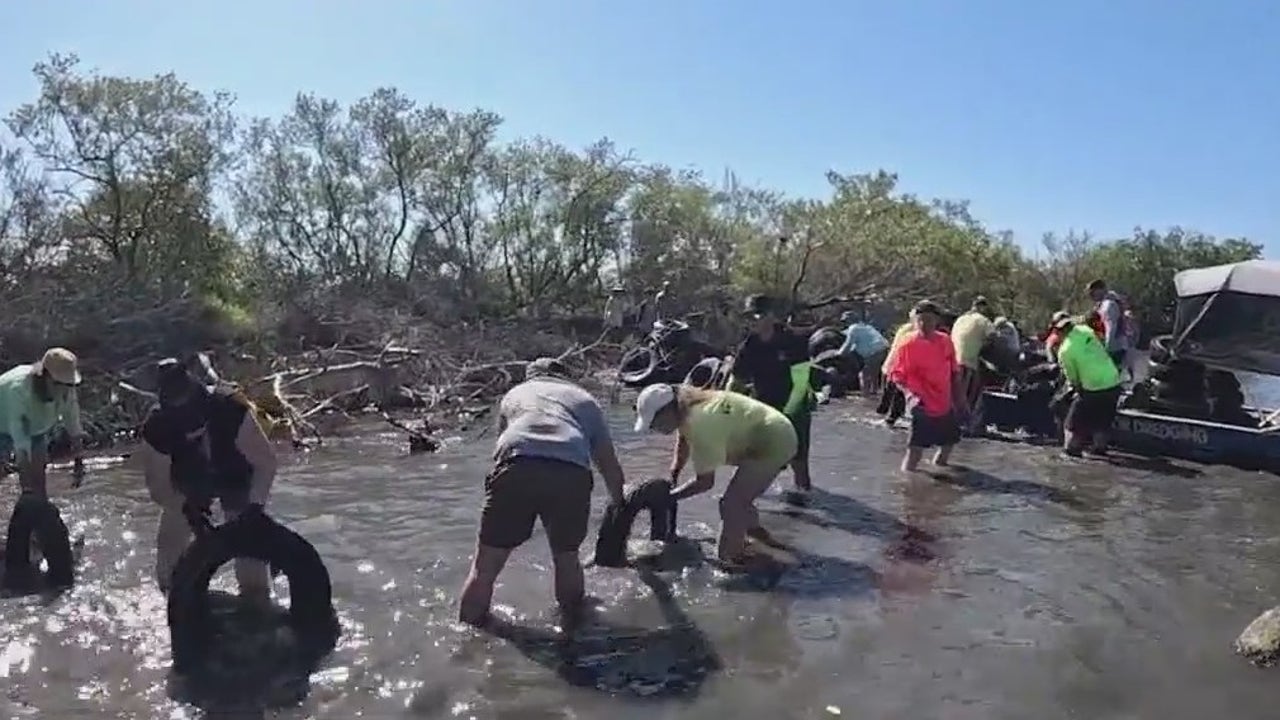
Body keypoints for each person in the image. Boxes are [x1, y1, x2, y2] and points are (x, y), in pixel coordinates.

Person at [459, 357, 627, 627]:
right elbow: (608, 462)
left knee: (484, 567)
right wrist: (619, 504)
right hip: (570, 469)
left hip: (517, 464)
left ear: (530, 377)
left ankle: (465, 639)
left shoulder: (513, 395)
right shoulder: (584, 399)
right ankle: (573, 631)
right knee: (566, 557)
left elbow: (499, 451)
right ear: (565, 377)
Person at [138, 358, 278, 603]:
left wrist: (255, 508)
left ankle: (258, 603)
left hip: (234, 470)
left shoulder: (229, 407)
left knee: (250, 544)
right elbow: (159, 487)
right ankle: (174, 602)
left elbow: (266, 463)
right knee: (171, 543)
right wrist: (187, 511)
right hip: (189, 478)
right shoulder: (157, 426)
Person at [633, 383, 797, 565]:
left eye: (655, 423)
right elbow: (683, 438)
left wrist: (670, 498)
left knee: (731, 503)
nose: (653, 429)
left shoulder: (702, 425)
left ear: (668, 411)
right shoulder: (689, 406)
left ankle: (733, 560)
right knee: (740, 498)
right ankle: (757, 535)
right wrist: (676, 468)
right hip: (769, 428)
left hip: (774, 441)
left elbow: (704, 483)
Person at [729, 294, 816, 494]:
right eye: (748, 316)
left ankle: (802, 501)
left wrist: (787, 415)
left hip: (796, 405)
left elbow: (801, 383)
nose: (751, 320)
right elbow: (736, 382)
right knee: (756, 457)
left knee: (799, 462)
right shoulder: (749, 346)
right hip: (764, 405)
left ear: (771, 316)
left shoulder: (793, 340)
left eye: (756, 315)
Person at [0, 348, 87, 502]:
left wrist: (79, 461)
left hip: (36, 428)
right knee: (27, 486)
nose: (63, 390)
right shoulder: (19, 391)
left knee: (39, 485)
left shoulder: (67, 389)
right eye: (58, 383)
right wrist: (27, 491)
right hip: (4, 423)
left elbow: (72, 422)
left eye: (67, 384)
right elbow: (22, 446)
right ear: (44, 376)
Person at [888, 301, 963, 472]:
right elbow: (896, 375)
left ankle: (939, 473)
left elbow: (954, 371)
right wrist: (909, 394)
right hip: (921, 402)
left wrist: (960, 400)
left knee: (949, 443)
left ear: (937, 320)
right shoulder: (908, 344)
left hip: (943, 400)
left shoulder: (945, 341)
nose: (924, 324)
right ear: (915, 321)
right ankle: (907, 484)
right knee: (915, 450)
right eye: (920, 320)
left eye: (929, 320)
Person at [1054, 317, 1123, 457]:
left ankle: (1070, 450)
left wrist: (1076, 391)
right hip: (1113, 380)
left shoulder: (1065, 351)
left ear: (1058, 332)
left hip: (1093, 386)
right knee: (1103, 420)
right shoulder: (1085, 330)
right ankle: (1099, 449)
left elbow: (1073, 379)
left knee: (1072, 422)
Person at [949, 297, 995, 432]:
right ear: (982, 307)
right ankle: (960, 423)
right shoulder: (983, 320)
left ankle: (951, 420)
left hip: (952, 360)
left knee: (953, 392)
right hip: (967, 361)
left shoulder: (961, 319)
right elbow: (993, 337)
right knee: (965, 393)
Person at [876, 313, 919, 426]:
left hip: (892, 364)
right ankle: (891, 418)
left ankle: (884, 415)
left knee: (889, 394)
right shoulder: (912, 331)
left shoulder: (905, 328)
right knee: (898, 393)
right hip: (900, 366)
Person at [837, 311, 891, 395]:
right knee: (874, 374)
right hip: (884, 349)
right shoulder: (866, 326)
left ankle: (865, 395)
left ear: (850, 320)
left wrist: (838, 354)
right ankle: (874, 393)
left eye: (845, 321)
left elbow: (848, 344)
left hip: (873, 352)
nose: (845, 323)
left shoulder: (853, 328)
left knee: (863, 374)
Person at [1086, 279, 1131, 371]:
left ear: (1100, 290)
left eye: (1092, 293)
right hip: (1118, 345)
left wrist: (1107, 349)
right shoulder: (1106, 303)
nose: (1091, 296)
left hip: (1114, 347)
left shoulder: (1108, 305)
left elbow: (1110, 328)